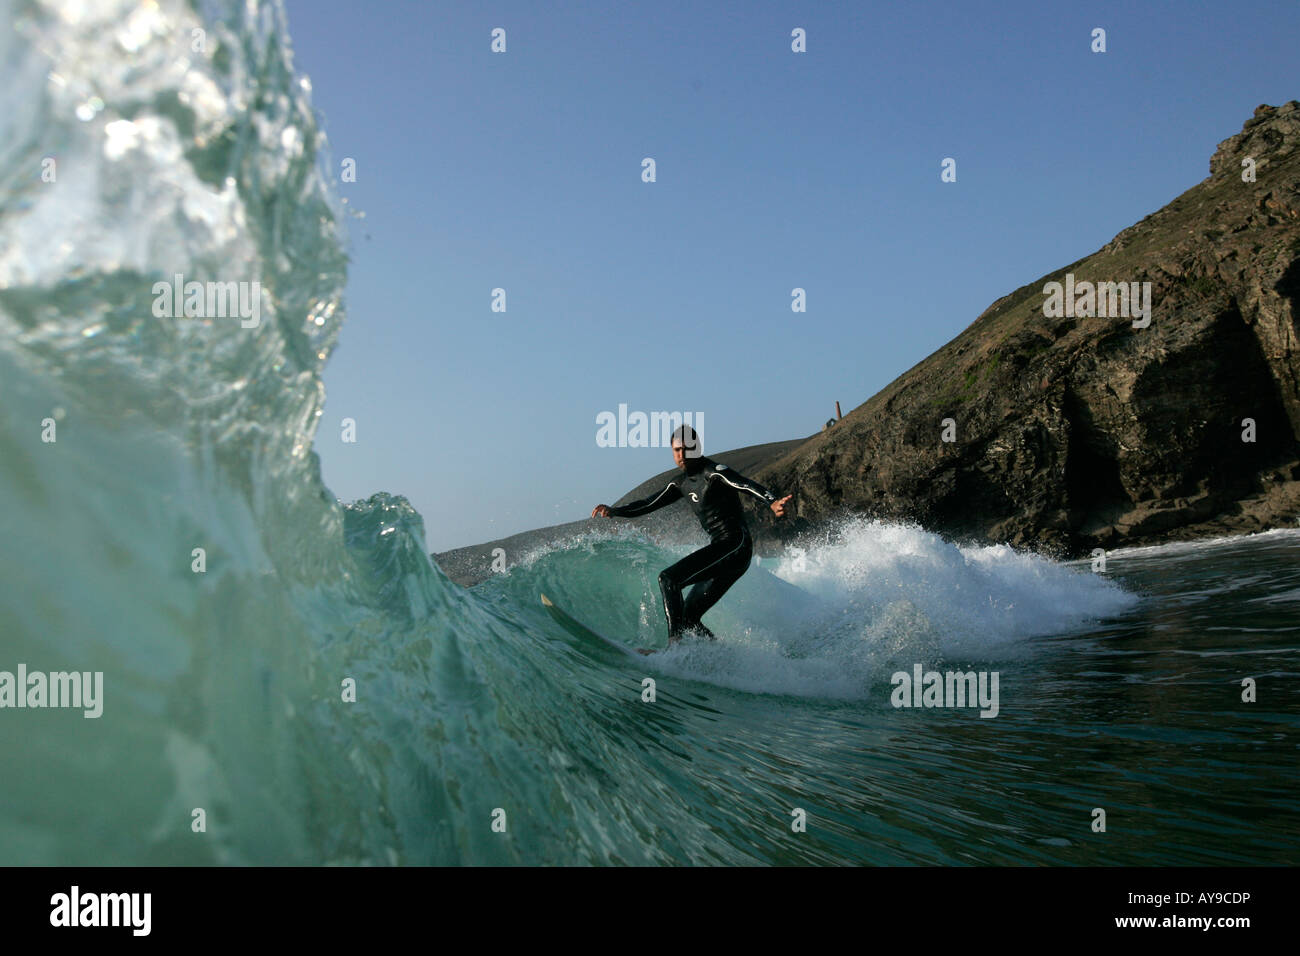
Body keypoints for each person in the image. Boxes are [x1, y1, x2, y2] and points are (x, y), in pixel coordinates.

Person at [592, 425, 792, 643]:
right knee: (688, 617)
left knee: (669, 579)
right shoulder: (680, 483)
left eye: (687, 449)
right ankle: (721, 659)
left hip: (735, 545)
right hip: (724, 550)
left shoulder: (714, 471)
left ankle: (674, 649)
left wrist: (771, 501)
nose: (682, 455)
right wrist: (615, 511)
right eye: (677, 450)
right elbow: (648, 504)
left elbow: (744, 484)